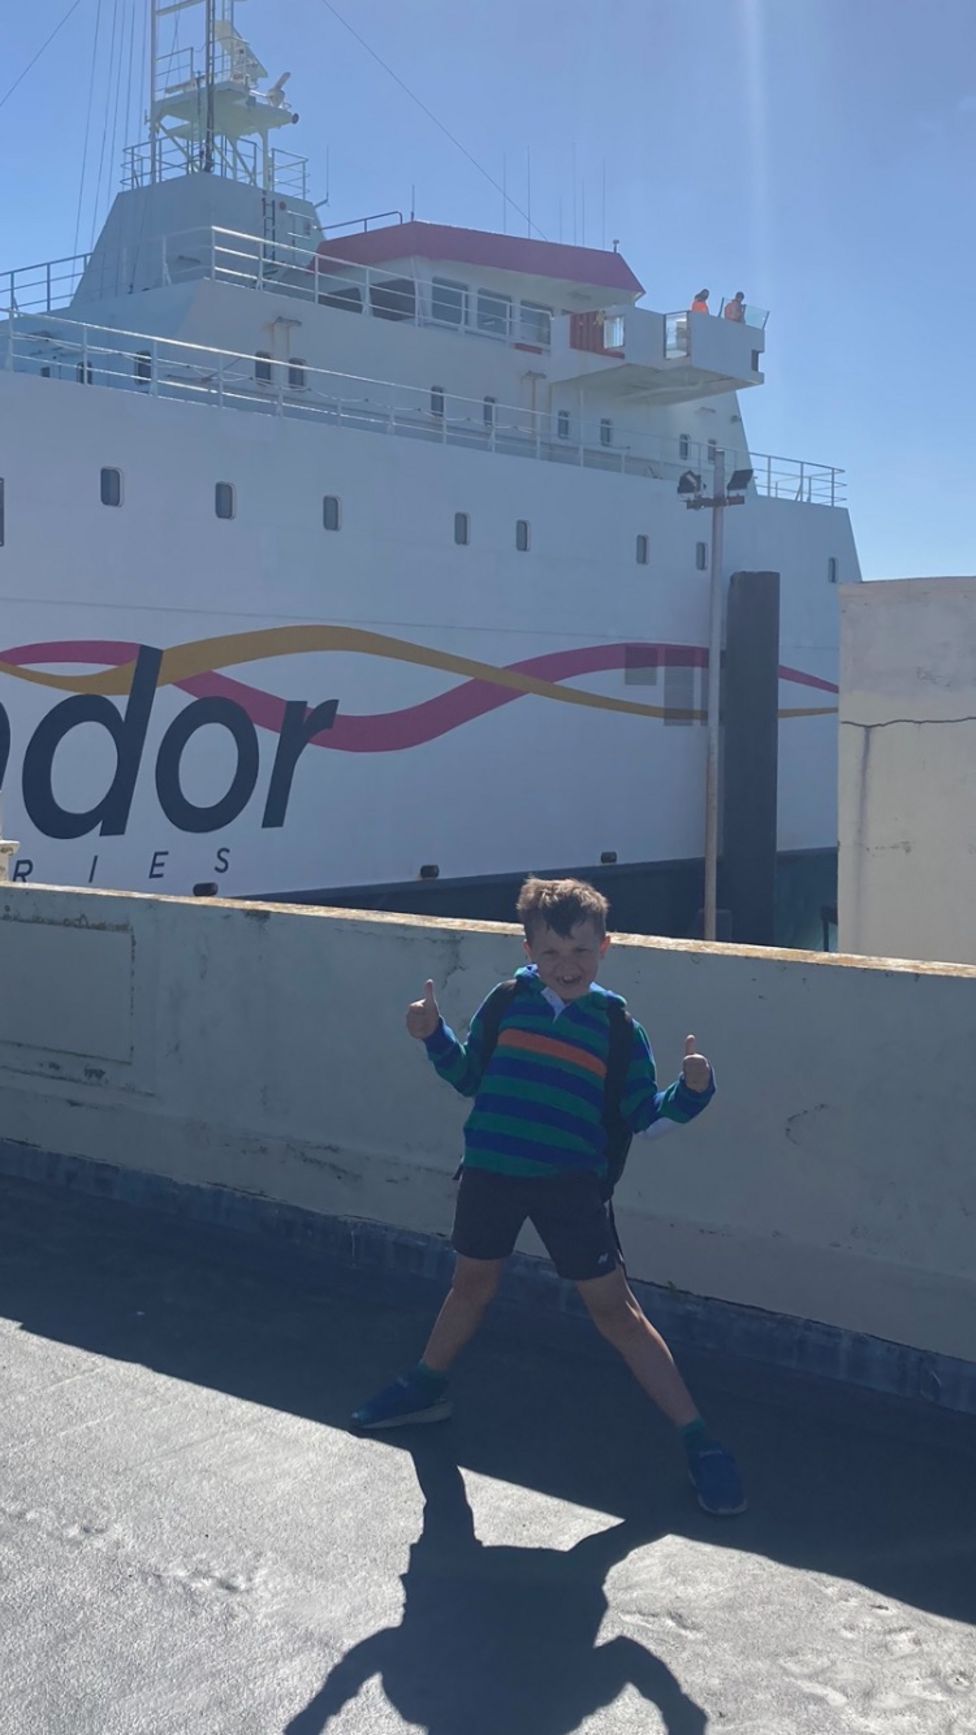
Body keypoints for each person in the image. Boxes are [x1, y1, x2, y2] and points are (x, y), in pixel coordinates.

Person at [352, 876, 746, 1518]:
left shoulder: (619, 1027)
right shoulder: (507, 999)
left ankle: (700, 1442)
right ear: (529, 946)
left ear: (606, 948)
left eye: (582, 953)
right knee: (470, 1288)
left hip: (571, 1190)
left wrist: (693, 1091)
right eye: (553, 953)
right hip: (489, 1174)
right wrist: (433, 1037)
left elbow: (647, 1115)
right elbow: (468, 1077)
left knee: (618, 1315)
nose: (567, 967)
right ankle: (425, 1387)